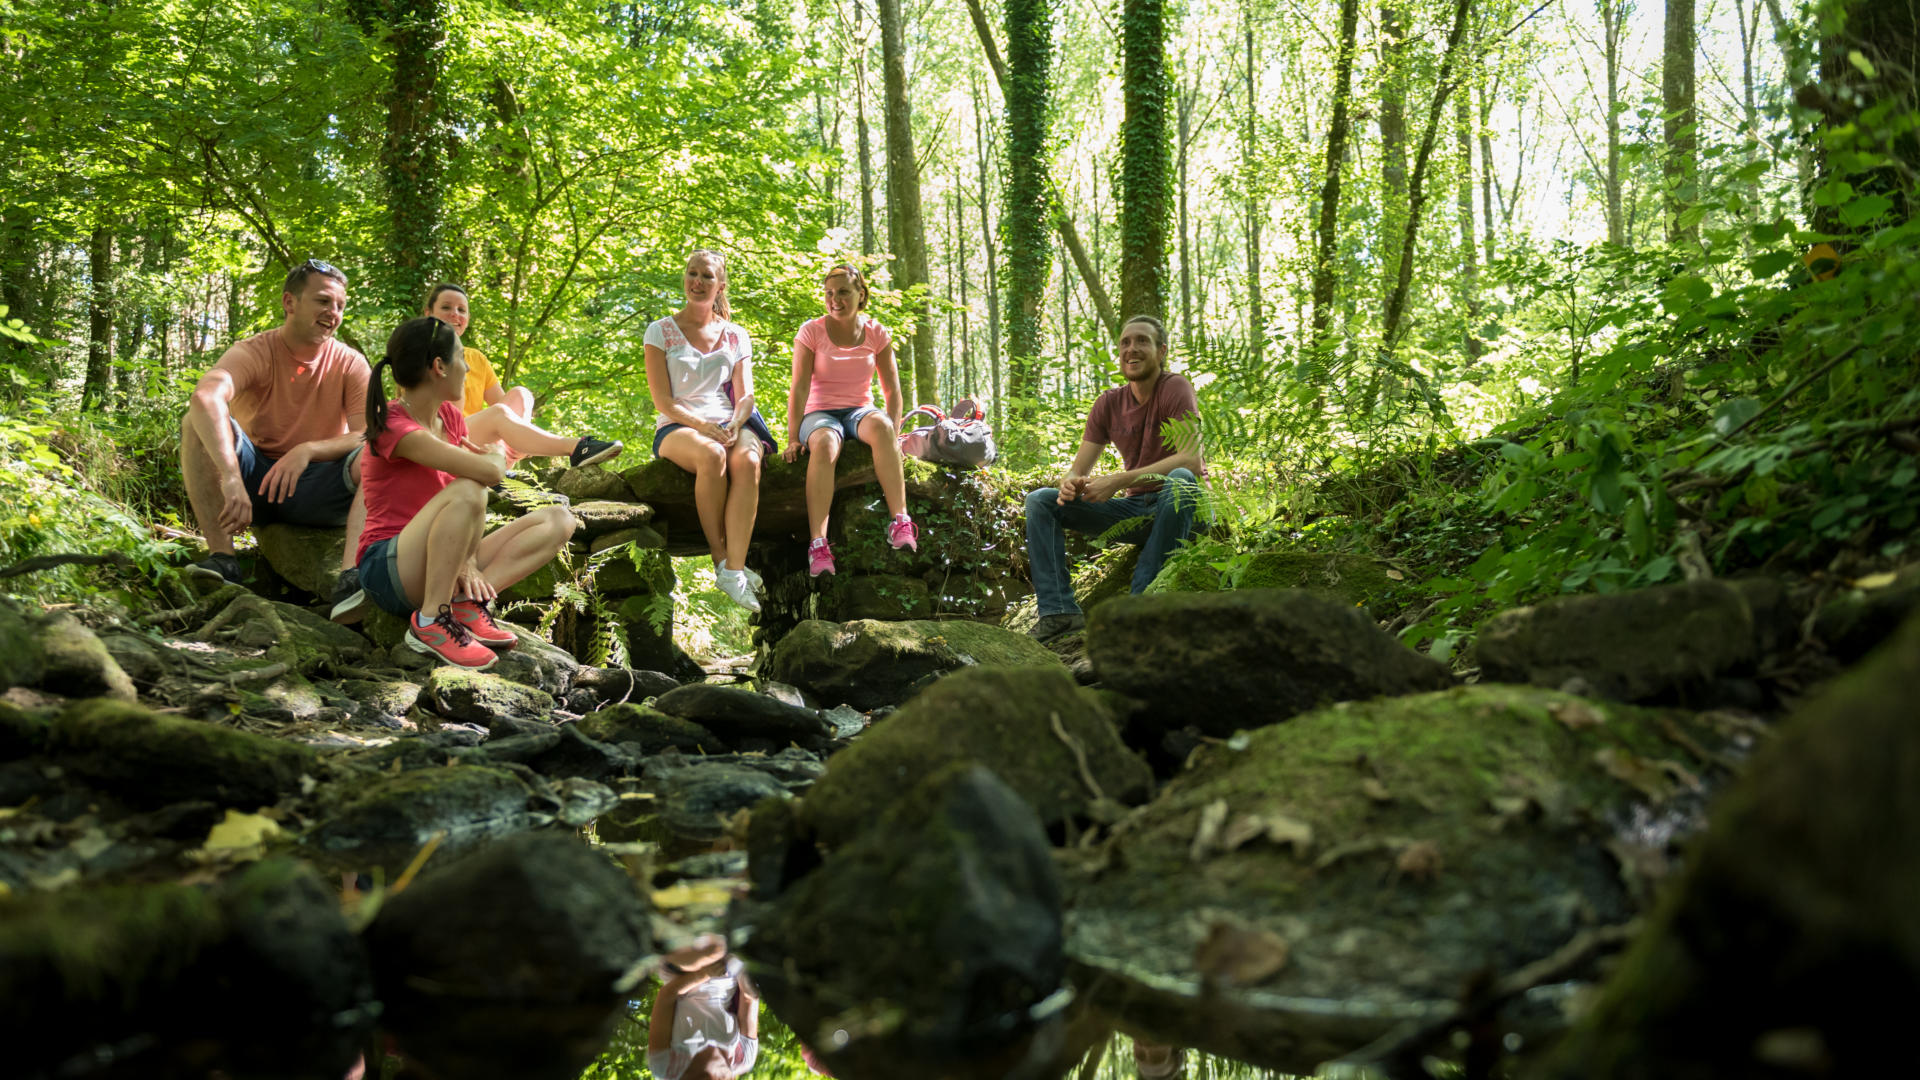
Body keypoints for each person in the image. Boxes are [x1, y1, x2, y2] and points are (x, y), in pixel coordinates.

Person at [355, 316, 577, 669]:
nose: (468, 367)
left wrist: (469, 563)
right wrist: (494, 453)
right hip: (391, 568)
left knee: (559, 520)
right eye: (462, 357)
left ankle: (466, 604)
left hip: (442, 558)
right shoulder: (396, 427)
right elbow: (487, 472)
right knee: (469, 489)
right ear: (439, 367)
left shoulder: (450, 417)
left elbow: (469, 494)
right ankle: (430, 622)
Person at [180, 260, 370, 606]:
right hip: (256, 481)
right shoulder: (255, 351)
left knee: (378, 454)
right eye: (324, 301)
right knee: (194, 421)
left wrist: (308, 449)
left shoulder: (350, 363)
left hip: (320, 487)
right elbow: (205, 397)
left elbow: (368, 435)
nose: (333, 313)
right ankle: (223, 560)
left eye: (340, 306)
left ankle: (351, 576)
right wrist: (231, 477)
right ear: (289, 303)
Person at [1023, 314, 1205, 642]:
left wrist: (1119, 481)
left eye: (1142, 341)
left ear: (1161, 351)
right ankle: (1059, 611)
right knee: (1040, 501)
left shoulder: (1175, 388)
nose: (1131, 349)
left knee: (1179, 477)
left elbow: (1191, 459)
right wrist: (1070, 482)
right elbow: (1078, 469)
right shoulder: (1108, 403)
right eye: (1125, 342)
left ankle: (1140, 603)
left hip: (1182, 509)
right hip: (1135, 511)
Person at [644, 250, 773, 612]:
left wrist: (733, 423)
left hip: (729, 422)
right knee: (713, 455)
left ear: (720, 286)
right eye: (692, 274)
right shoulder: (660, 331)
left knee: (748, 459)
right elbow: (663, 401)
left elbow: (745, 394)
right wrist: (704, 427)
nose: (697, 282)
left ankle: (736, 567)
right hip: (679, 427)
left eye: (707, 277)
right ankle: (723, 563)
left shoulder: (736, 335)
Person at [782, 264, 917, 577]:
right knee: (827, 443)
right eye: (830, 293)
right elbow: (799, 387)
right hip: (819, 414)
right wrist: (792, 437)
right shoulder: (811, 331)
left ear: (861, 295)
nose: (835, 299)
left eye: (843, 292)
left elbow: (892, 391)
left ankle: (901, 522)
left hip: (859, 410)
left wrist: (894, 434)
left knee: (882, 426)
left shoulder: (876, 332)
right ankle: (818, 544)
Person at [421, 283, 623, 469]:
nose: (455, 315)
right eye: (446, 308)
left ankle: (506, 459)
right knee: (498, 414)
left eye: (462, 310)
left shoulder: (476, 358)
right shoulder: (418, 353)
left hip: (476, 439)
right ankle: (575, 448)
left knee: (521, 394)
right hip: (443, 442)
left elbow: (508, 410)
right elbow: (446, 418)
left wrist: (518, 434)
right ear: (429, 313)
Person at [647, 933, 760, 1080]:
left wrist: (705, 974)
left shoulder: (665, 1068)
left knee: (713, 951)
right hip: (726, 976)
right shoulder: (742, 1059)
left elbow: (666, 995)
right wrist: (744, 976)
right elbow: (749, 998)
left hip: (681, 976)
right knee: (727, 951)